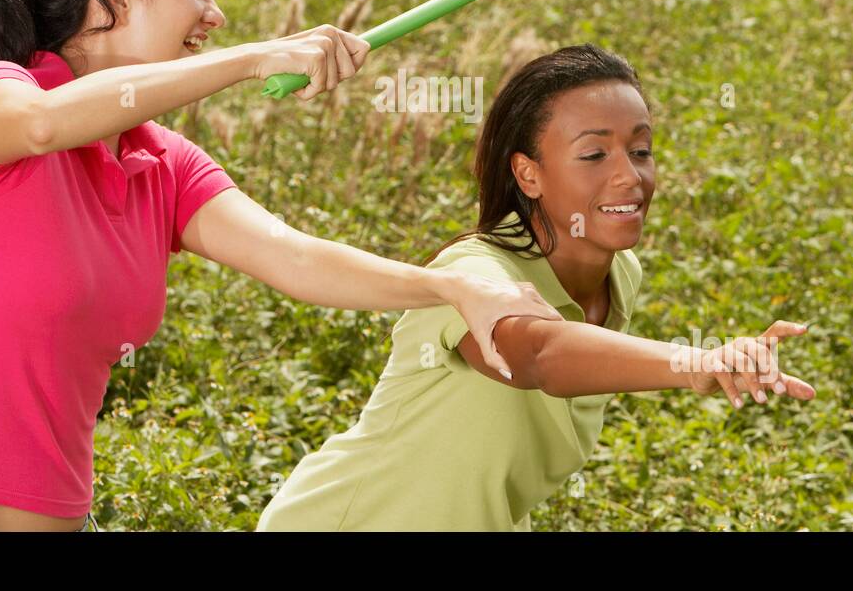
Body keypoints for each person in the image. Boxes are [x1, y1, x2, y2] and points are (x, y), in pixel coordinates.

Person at [0, 0, 560, 533]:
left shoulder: (162, 165)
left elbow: (297, 258)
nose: (214, 14)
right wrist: (251, 59)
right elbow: (43, 124)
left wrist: (449, 285)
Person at [257, 44, 816, 531]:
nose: (630, 176)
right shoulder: (472, 271)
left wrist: (706, 368)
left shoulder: (619, 276)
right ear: (528, 174)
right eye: (594, 154)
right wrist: (696, 362)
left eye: (640, 150)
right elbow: (539, 355)